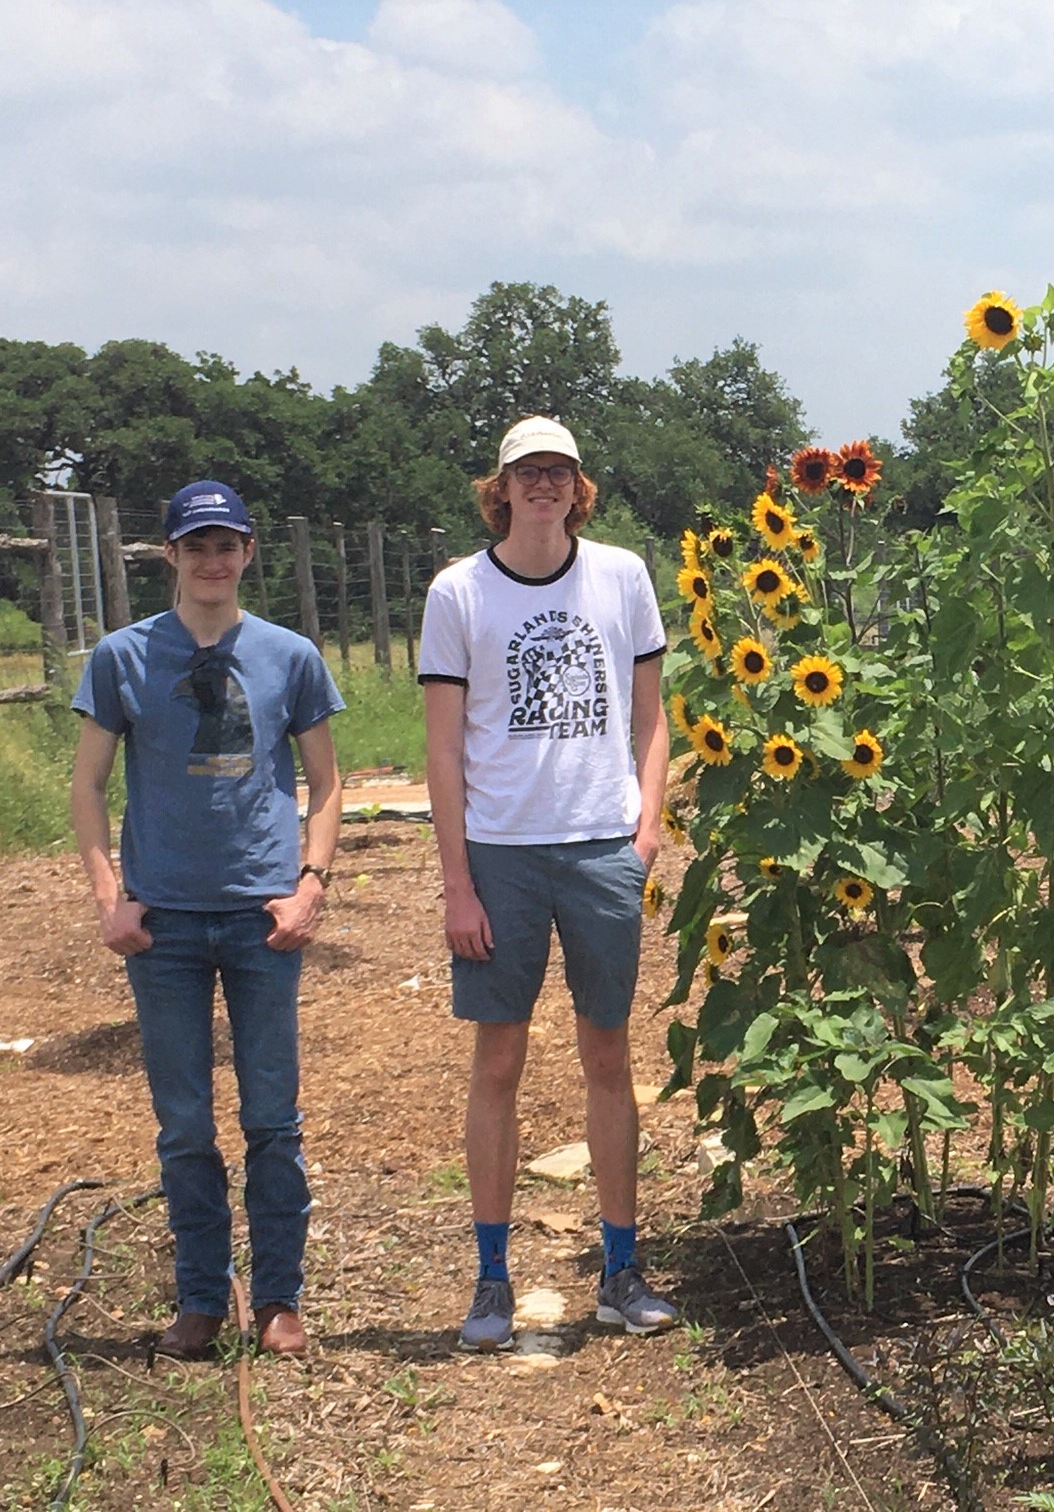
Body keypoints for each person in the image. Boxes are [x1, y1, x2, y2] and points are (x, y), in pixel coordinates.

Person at [419, 415, 677, 1351]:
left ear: (578, 487)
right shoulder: (460, 592)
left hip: (601, 846)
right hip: (501, 852)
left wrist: (644, 830)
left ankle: (619, 1267)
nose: (543, 486)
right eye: (527, 472)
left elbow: (654, 719)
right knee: (498, 1060)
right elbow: (443, 749)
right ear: (501, 487)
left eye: (558, 472)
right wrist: (457, 883)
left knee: (607, 1056)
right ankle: (492, 1278)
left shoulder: (621, 576)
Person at [70, 480, 344, 1359]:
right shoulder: (120, 657)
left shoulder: (291, 655)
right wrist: (108, 896)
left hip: (264, 917)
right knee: (184, 1122)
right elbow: (86, 785)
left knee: (273, 1117)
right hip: (166, 925)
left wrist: (311, 884)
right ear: (172, 558)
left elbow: (328, 784)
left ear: (248, 553)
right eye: (196, 547)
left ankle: (277, 1300)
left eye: (226, 546)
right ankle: (199, 1299)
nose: (212, 561)